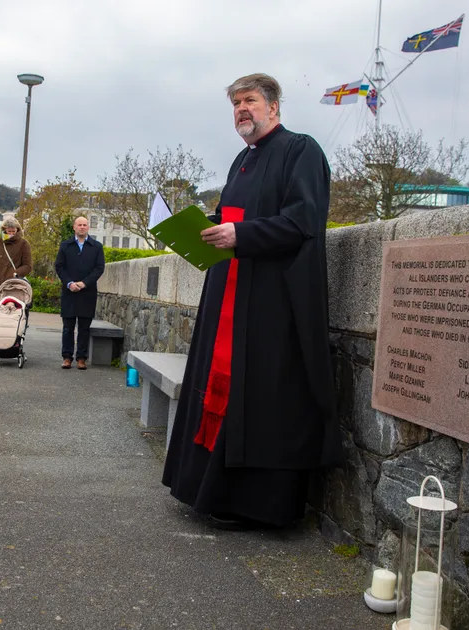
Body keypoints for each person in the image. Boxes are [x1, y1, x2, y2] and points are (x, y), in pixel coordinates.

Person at [162, 73, 341, 531]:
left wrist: (241, 235)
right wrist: (201, 227)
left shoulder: (302, 150)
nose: (242, 109)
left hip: (270, 300)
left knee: (263, 395)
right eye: (237, 103)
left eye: (251, 101)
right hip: (229, 292)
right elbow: (231, 218)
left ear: (274, 108)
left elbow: (304, 220)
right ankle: (210, 493)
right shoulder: (241, 161)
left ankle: (256, 506)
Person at [54, 216, 105, 370]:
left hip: (87, 292)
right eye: (79, 225)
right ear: (74, 227)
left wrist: (84, 283)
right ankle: (67, 357)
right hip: (69, 292)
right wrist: (69, 283)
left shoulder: (96, 246)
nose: (82, 227)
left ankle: (81, 358)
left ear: (88, 227)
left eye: (85, 225)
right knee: (67, 327)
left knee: (84, 328)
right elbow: (59, 266)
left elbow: (99, 268)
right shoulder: (65, 246)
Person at [0, 215, 33, 309]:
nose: (11, 234)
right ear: (4, 229)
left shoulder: (23, 244)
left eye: (13, 231)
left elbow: (28, 266)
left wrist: (15, 273)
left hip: (11, 286)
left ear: (17, 230)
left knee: (9, 317)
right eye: (9, 231)